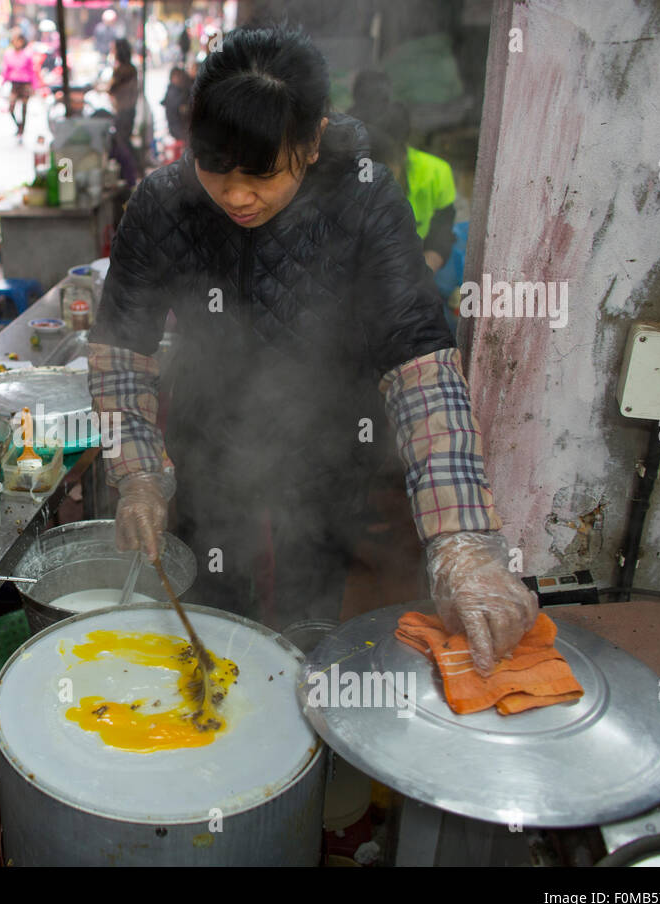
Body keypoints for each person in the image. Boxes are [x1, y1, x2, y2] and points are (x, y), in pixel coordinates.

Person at [87, 23, 537, 677]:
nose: (237, 196)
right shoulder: (163, 203)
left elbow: (418, 361)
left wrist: (461, 540)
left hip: (330, 439)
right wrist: (136, 475)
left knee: (311, 617)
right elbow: (120, 352)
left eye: (262, 174)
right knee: (209, 609)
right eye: (216, 168)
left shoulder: (364, 196)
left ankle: (309, 721)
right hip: (209, 437)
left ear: (313, 139)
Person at [365, 101, 456, 274]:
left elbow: (443, 228)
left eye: (387, 160)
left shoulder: (436, 172)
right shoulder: (352, 174)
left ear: (402, 151)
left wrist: (426, 270)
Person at [108, 39, 141, 184]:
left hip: (124, 111)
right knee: (124, 141)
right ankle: (134, 172)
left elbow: (112, 89)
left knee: (122, 143)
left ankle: (131, 173)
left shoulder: (123, 70)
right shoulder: (131, 69)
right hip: (128, 110)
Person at [1, 30, 39, 141]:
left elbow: (32, 71)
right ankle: (19, 126)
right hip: (14, 84)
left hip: (25, 84)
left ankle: (22, 130)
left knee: (24, 107)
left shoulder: (27, 54)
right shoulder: (8, 54)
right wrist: (3, 82)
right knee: (11, 107)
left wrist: (34, 86)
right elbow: (6, 70)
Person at [161, 65, 192, 144]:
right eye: (178, 76)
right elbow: (181, 108)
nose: (181, 79)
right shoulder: (173, 92)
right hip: (179, 129)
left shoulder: (178, 90)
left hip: (179, 128)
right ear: (172, 78)